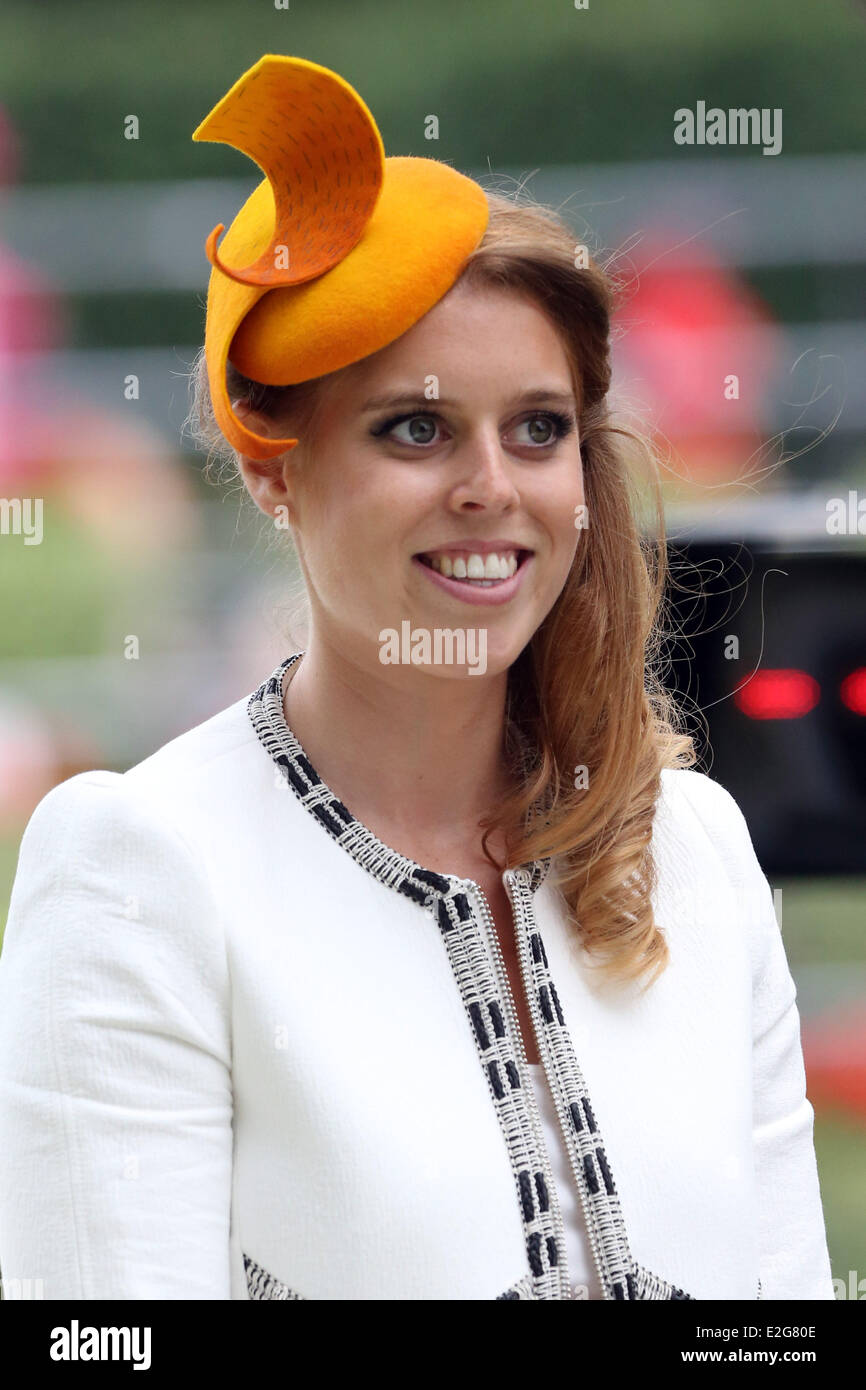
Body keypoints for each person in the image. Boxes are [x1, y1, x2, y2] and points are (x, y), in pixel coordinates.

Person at [0, 53, 834, 1301]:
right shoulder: (140, 864)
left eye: (537, 429)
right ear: (275, 466)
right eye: (415, 428)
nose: (491, 486)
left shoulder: (698, 847)